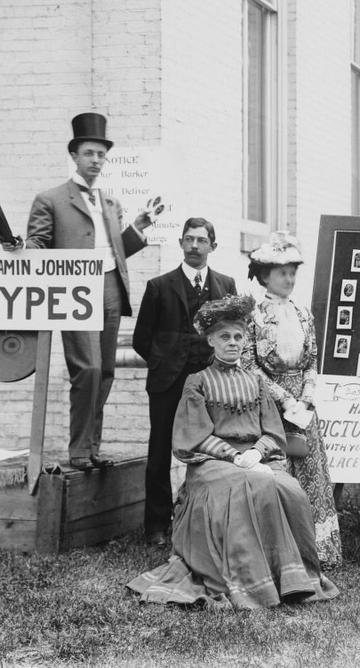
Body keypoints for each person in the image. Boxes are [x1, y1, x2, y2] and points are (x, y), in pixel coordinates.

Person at [127, 295, 339, 609]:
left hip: (253, 458)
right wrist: (235, 456)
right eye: (224, 337)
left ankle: (292, 578)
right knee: (252, 484)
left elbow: (272, 432)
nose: (232, 343)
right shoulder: (196, 382)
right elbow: (193, 436)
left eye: (238, 337)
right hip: (211, 464)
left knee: (289, 487)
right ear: (211, 340)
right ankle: (252, 581)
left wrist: (256, 451)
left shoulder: (256, 383)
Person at [4, 113, 158, 470]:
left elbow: (116, 252)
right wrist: (21, 248)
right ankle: (77, 450)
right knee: (86, 369)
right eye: (89, 153)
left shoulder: (111, 203)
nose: (95, 160)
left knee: (105, 370)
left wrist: (138, 228)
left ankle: (91, 449)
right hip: (73, 291)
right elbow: (38, 246)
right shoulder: (51, 199)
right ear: (74, 155)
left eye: (101, 155)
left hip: (109, 288)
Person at [132, 218, 237, 547]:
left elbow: (231, 332)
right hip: (168, 383)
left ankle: (213, 519)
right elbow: (141, 339)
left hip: (212, 382)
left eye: (201, 240)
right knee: (160, 452)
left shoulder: (226, 285)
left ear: (212, 247)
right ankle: (156, 526)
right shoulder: (159, 286)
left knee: (218, 447)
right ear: (180, 243)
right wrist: (166, 361)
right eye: (189, 239)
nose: (194, 246)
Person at [241, 231, 342, 567]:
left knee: (310, 473)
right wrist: (284, 398)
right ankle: (277, 552)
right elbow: (248, 364)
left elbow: (313, 359)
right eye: (282, 272)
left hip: (304, 409)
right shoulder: (252, 316)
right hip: (270, 407)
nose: (289, 278)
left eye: (293, 272)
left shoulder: (303, 313)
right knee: (277, 472)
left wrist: (308, 396)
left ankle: (317, 550)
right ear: (265, 275)